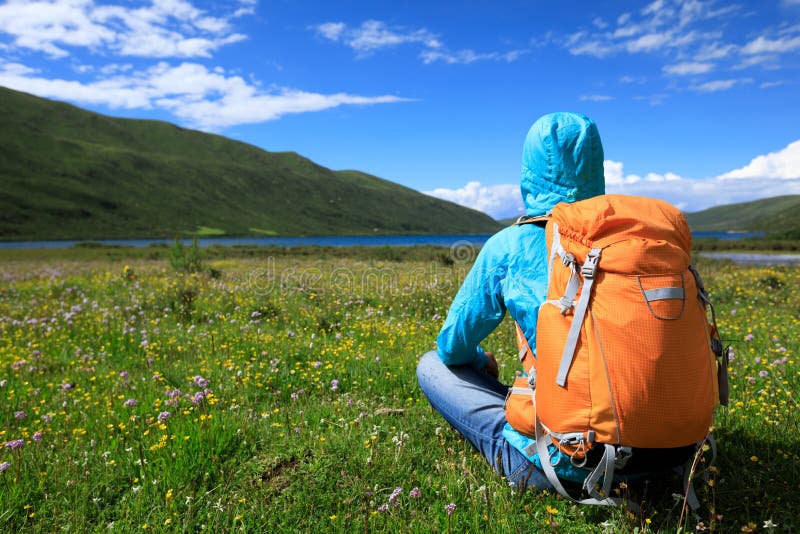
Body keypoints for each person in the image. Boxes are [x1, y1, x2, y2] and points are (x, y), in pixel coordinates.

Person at [416, 111, 606, 490]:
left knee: (430, 364)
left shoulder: (510, 245)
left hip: (563, 467)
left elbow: (451, 348)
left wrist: (481, 361)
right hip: (669, 454)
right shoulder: (642, 242)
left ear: (528, 173)